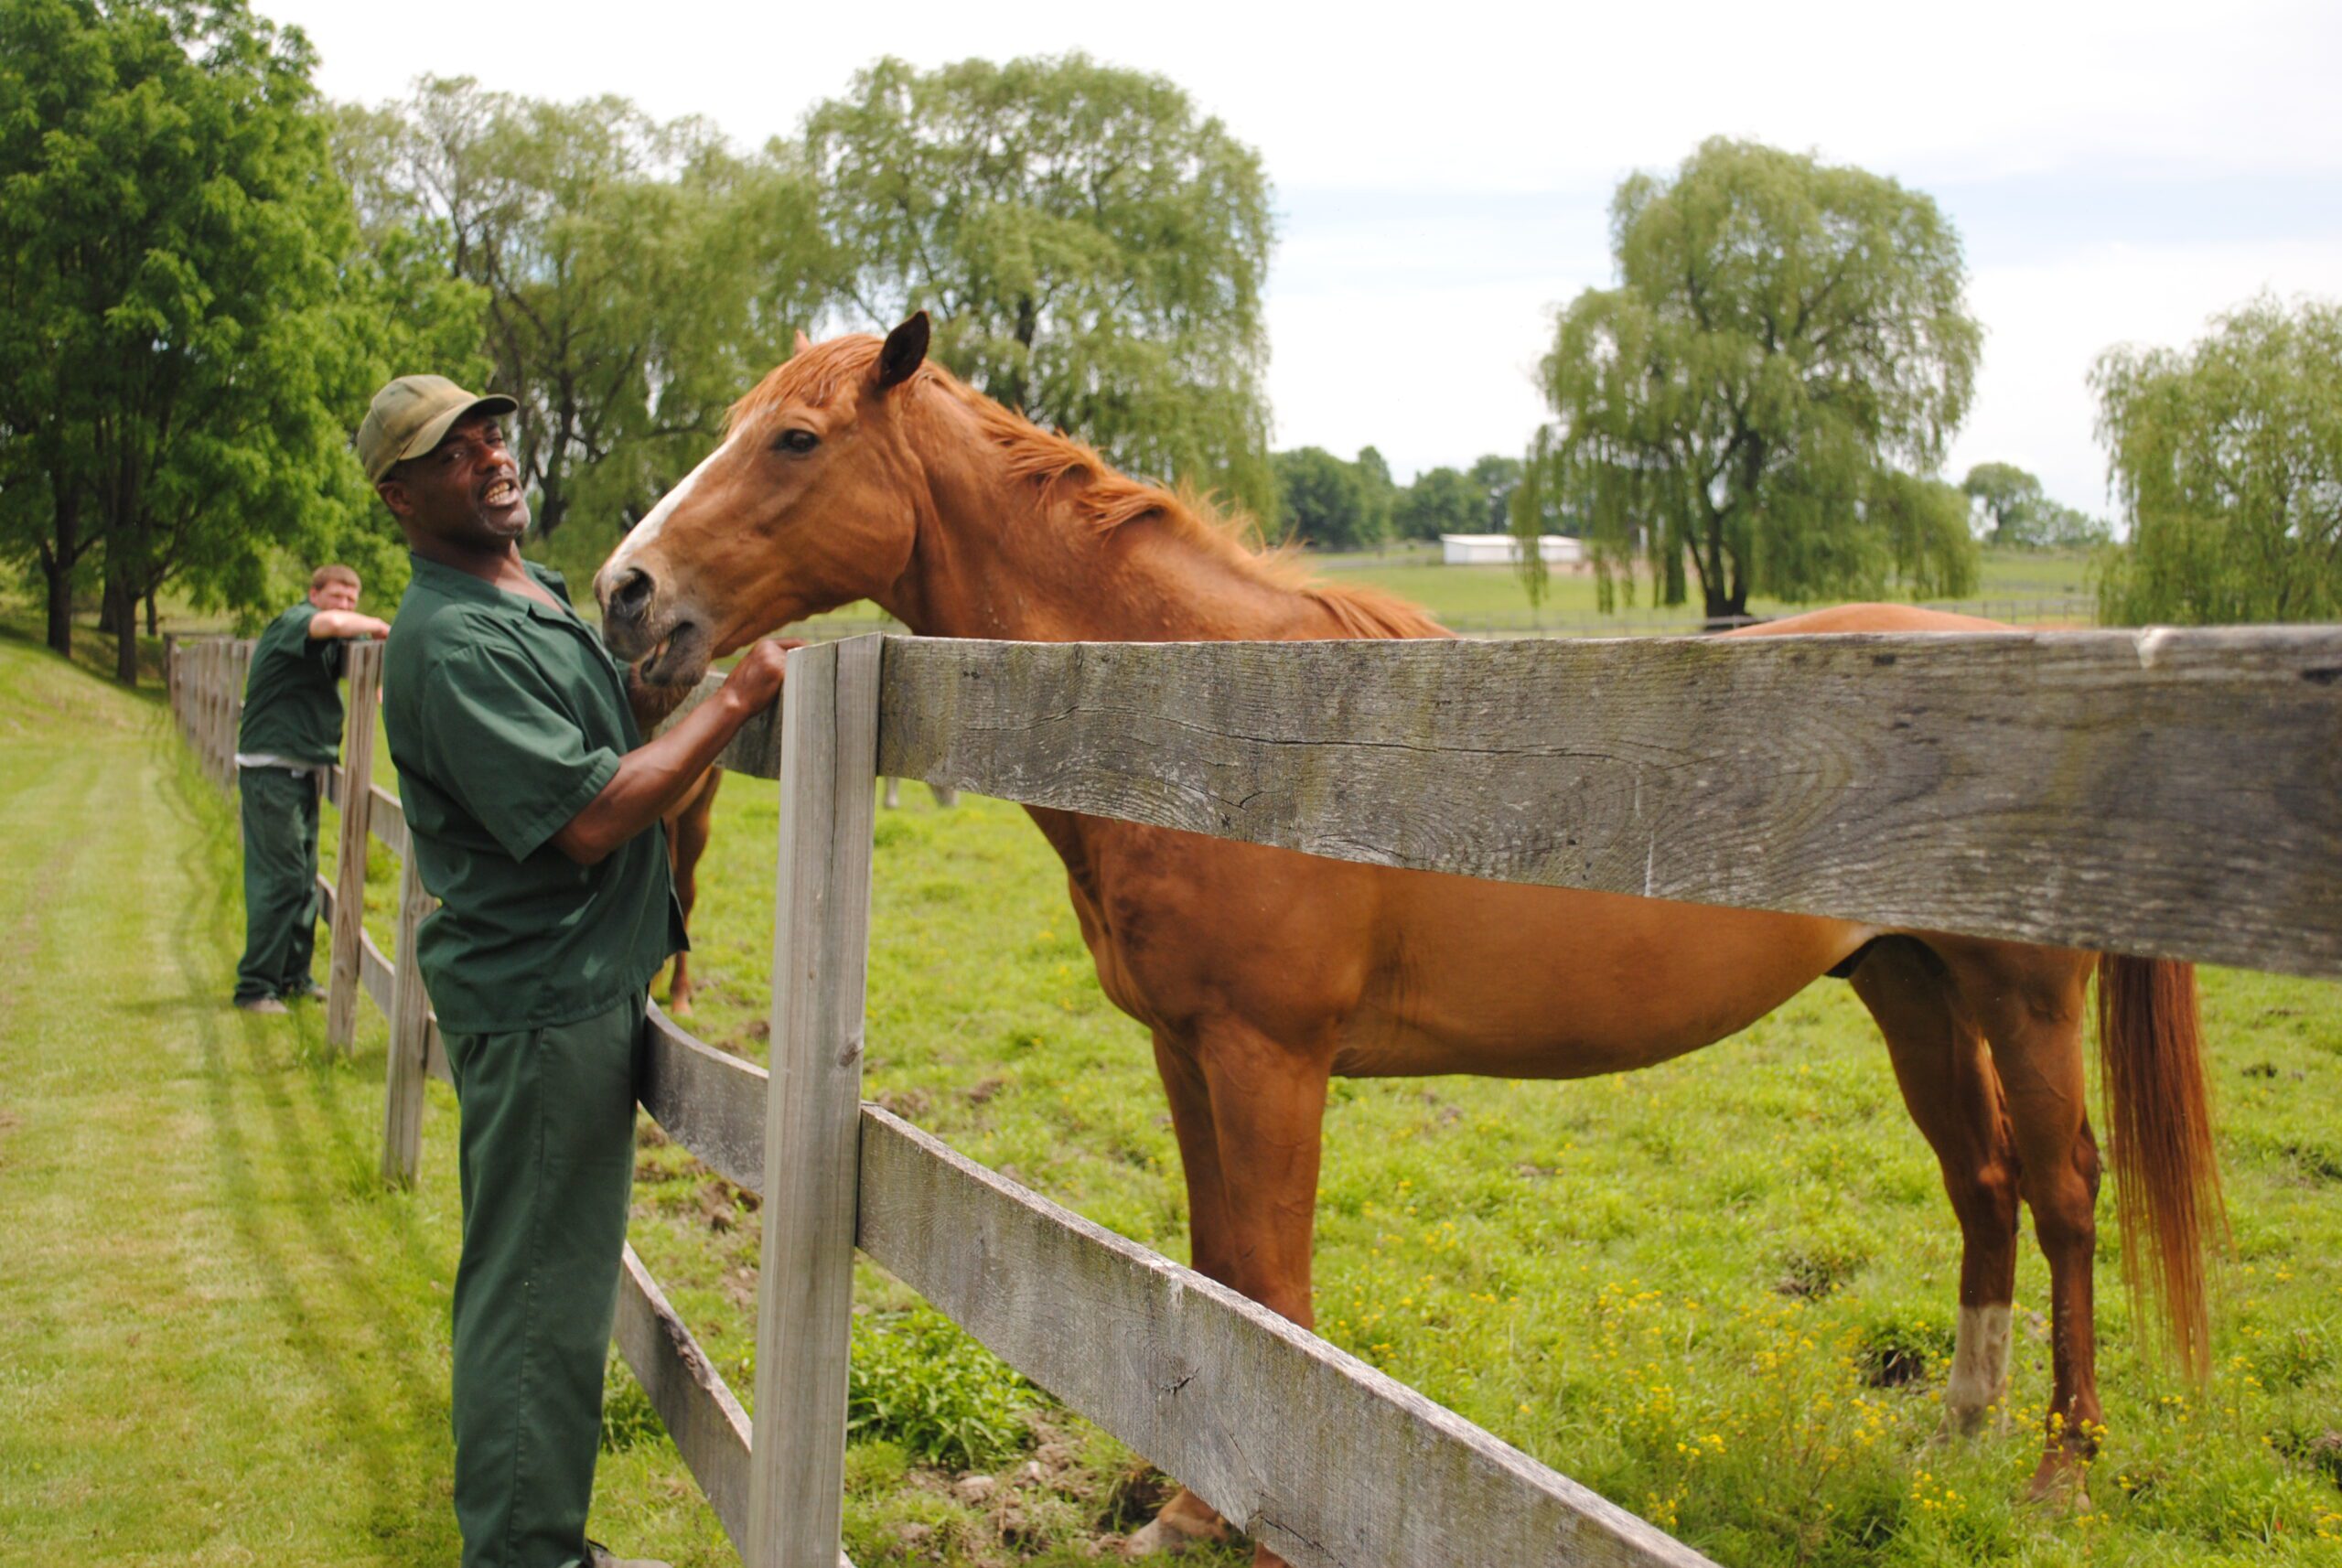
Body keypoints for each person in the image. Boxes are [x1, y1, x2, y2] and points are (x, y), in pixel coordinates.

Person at [358, 373, 790, 1568]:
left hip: (575, 983)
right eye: (454, 452)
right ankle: (525, 1553)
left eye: (491, 433)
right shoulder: (451, 640)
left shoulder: (527, 592)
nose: (492, 456)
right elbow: (591, 816)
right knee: (538, 1290)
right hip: (543, 999)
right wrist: (740, 698)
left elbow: (608, 726)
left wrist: (692, 666)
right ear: (400, 498)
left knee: (549, 1273)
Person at [232, 564, 391, 1014]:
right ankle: (255, 987)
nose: (345, 606)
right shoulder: (297, 621)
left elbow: (363, 660)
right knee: (280, 878)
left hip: (301, 772)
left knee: (302, 878)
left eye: (352, 599)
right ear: (314, 594)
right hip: (271, 770)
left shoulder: (332, 641)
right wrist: (379, 625)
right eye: (337, 595)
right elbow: (333, 624)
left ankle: (293, 977)